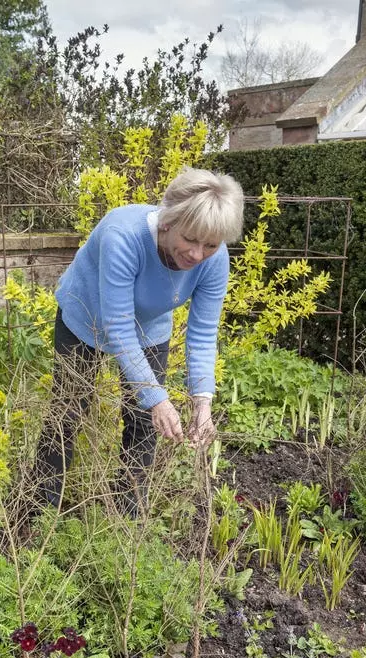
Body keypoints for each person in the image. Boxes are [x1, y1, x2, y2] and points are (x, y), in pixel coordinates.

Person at [34, 166, 244, 516]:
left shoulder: (213, 259)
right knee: (68, 412)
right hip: (88, 316)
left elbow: (203, 332)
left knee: (144, 420)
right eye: (190, 239)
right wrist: (157, 398)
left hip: (149, 325)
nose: (197, 255)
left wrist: (202, 404)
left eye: (210, 244)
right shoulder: (123, 234)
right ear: (167, 221)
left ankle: (128, 518)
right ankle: (39, 513)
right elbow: (116, 325)